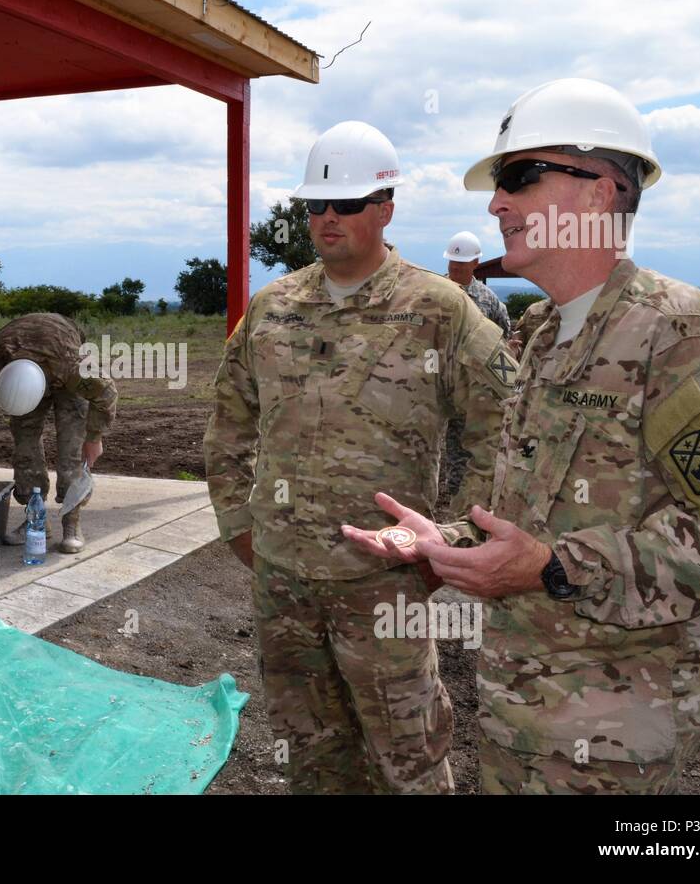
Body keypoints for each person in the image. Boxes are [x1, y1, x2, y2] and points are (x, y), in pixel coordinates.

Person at [342, 78, 700, 793]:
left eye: (517, 177)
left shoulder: (676, 334)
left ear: (598, 194)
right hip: (526, 709)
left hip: (615, 733)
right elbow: (539, 518)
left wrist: (555, 568)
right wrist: (447, 545)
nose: (494, 204)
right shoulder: (546, 336)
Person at [204, 121, 516, 793]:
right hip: (283, 584)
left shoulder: (438, 310)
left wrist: (453, 542)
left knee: (408, 760)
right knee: (312, 753)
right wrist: (241, 526)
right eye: (316, 205)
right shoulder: (274, 307)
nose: (327, 218)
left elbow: (508, 431)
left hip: (384, 585)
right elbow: (230, 422)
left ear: (385, 209)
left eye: (345, 204)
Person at [0, 312, 117, 554]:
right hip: (22, 371)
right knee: (24, 449)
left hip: (61, 359)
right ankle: (35, 519)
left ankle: (72, 523)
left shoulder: (74, 370)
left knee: (72, 449)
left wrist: (94, 438)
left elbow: (107, 394)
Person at [444, 231, 510, 336]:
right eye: (452, 261)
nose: (455, 266)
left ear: (475, 263)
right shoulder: (436, 290)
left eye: (461, 262)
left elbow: (504, 336)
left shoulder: (488, 299)